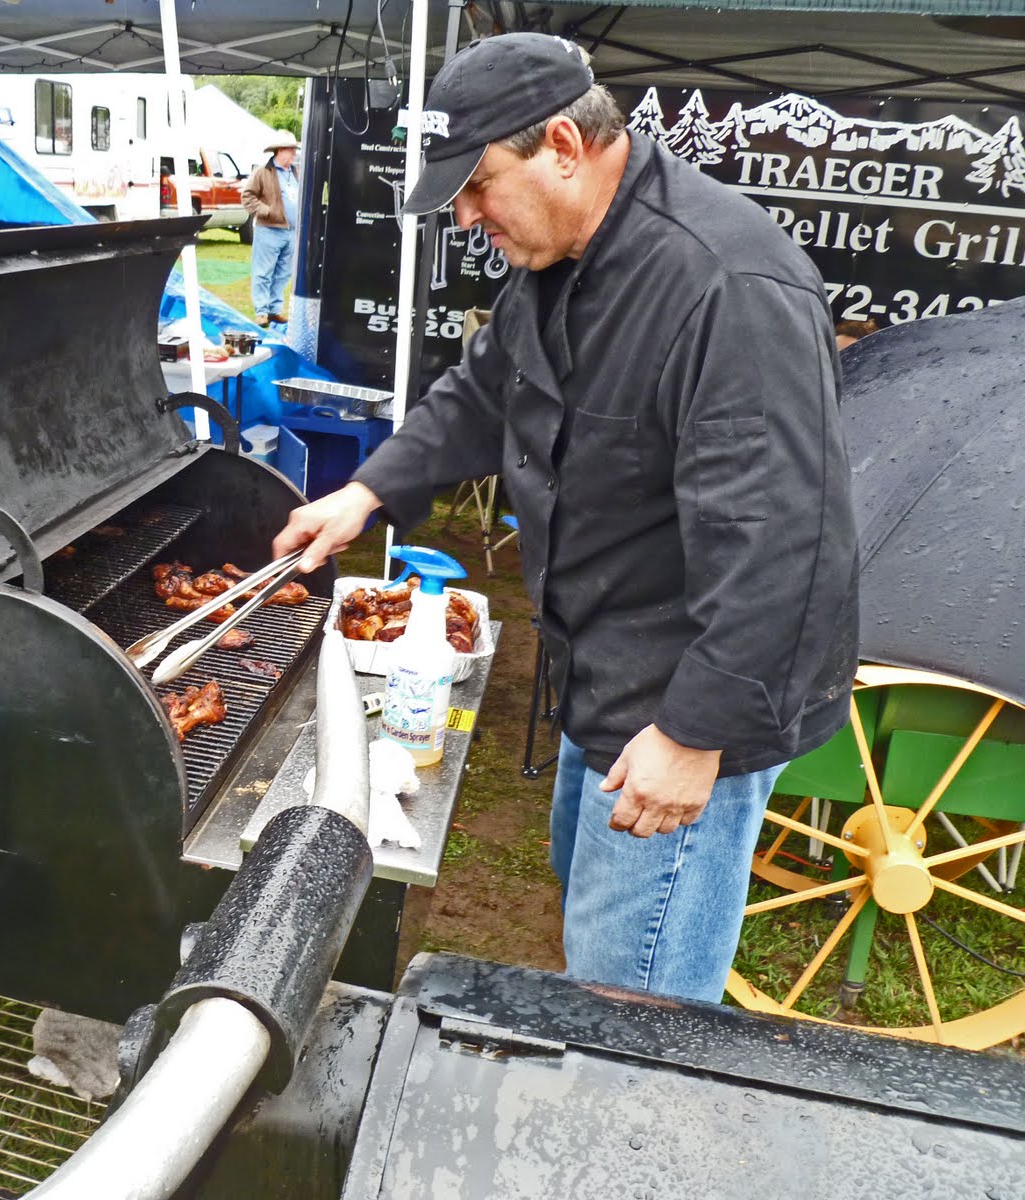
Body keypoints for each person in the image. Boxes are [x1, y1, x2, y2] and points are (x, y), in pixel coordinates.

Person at [272, 34, 859, 1003]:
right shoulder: (559, 264)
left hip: (682, 697)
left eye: (477, 187)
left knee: (637, 998)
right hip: (600, 662)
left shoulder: (724, 285)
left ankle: (633, 1132)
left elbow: (782, 540)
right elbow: (482, 394)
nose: (464, 217)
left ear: (560, 144)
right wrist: (365, 492)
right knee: (595, 920)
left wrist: (693, 735)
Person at [242, 132, 301, 328]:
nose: (294, 153)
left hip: (291, 231)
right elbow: (248, 197)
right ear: (280, 150)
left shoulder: (296, 172)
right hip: (269, 230)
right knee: (263, 272)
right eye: (291, 149)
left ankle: (274, 310)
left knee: (283, 273)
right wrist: (267, 211)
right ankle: (261, 311)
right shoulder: (262, 172)